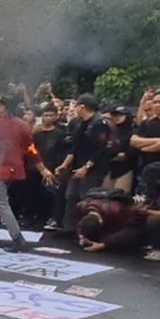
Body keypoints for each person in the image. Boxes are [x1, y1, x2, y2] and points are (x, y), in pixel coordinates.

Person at [0, 99, 55, 251]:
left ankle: (18, 239)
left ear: (4, 107)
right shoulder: (23, 125)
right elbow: (31, 149)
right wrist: (42, 168)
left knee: (1, 203)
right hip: (14, 169)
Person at [55, 95, 112, 233]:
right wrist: (65, 164)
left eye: (76, 106)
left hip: (93, 168)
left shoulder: (100, 123)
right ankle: (69, 227)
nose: (74, 109)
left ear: (82, 106)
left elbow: (101, 149)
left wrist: (87, 166)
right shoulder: (80, 122)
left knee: (86, 199)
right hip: (76, 165)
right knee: (71, 196)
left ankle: (85, 230)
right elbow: (75, 146)